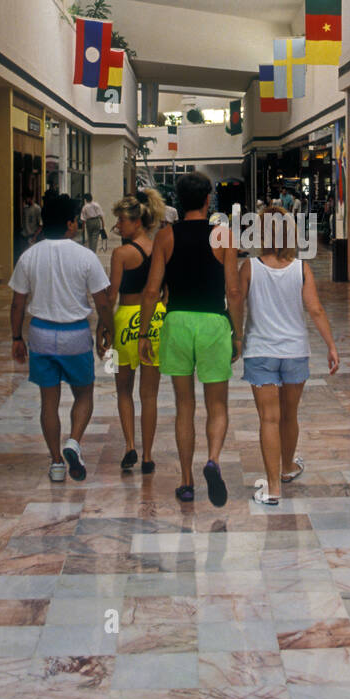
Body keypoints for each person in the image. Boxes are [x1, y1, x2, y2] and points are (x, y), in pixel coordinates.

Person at [138, 170, 243, 506]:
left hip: (178, 322)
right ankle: (212, 460)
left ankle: (185, 481)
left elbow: (152, 290)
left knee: (184, 406)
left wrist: (143, 333)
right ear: (208, 200)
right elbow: (234, 291)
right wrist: (237, 334)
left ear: (178, 202)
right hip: (213, 322)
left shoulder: (165, 237)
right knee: (217, 405)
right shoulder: (222, 236)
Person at [9, 192, 113, 483]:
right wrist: (108, 332)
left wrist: (16, 337)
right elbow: (103, 303)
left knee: (48, 402)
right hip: (75, 335)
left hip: (41, 334)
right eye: (77, 220)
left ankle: (56, 463)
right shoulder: (86, 257)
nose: (79, 225)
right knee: (84, 394)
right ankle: (74, 442)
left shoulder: (29, 256)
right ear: (69, 223)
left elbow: (17, 303)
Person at [239, 206, 339, 505]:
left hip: (259, 351)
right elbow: (316, 309)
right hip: (295, 351)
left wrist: (234, 336)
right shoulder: (301, 268)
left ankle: (271, 488)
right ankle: (286, 468)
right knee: (289, 415)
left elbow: (236, 303)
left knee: (268, 419)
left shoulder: (250, 268)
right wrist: (331, 345)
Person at [109, 189, 168, 473]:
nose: (118, 227)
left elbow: (112, 295)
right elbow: (165, 291)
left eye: (121, 221)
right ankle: (148, 456)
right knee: (150, 395)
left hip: (125, 319)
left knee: (123, 389)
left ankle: (130, 445)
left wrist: (103, 326)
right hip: (155, 319)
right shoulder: (160, 248)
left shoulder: (121, 254)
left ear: (136, 221)